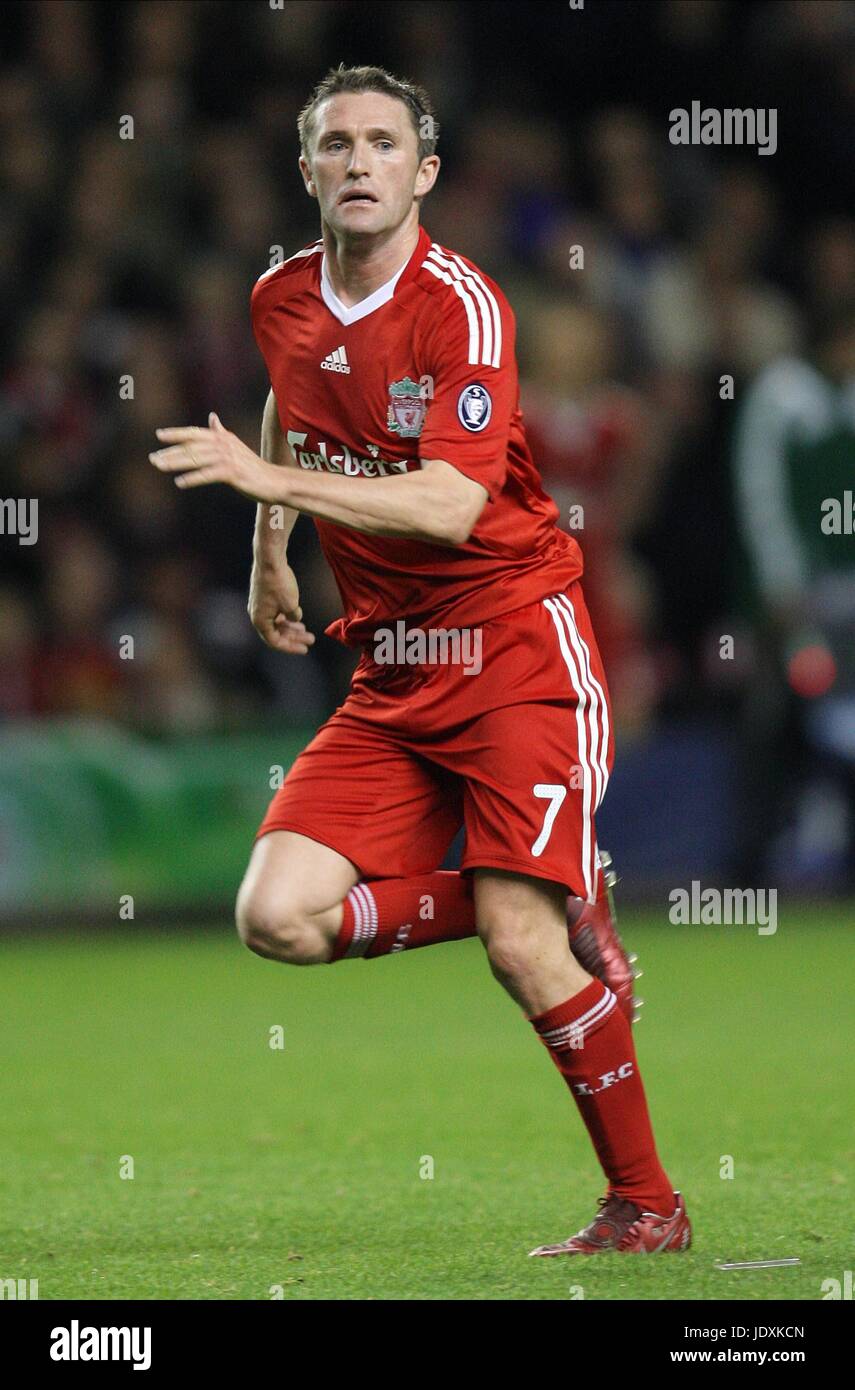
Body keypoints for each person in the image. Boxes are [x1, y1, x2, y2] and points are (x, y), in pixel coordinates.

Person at [149, 64, 690, 1257]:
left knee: (519, 947)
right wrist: (270, 553)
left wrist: (268, 482)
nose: (356, 162)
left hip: (512, 639)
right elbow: (297, 408)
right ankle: (560, 889)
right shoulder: (278, 296)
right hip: (392, 669)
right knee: (275, 914)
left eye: (382, 144)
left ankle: (647, 1207)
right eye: (334, 144)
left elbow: (450, 506)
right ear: (308, 173)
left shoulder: (466, 307)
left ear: (422, 173)